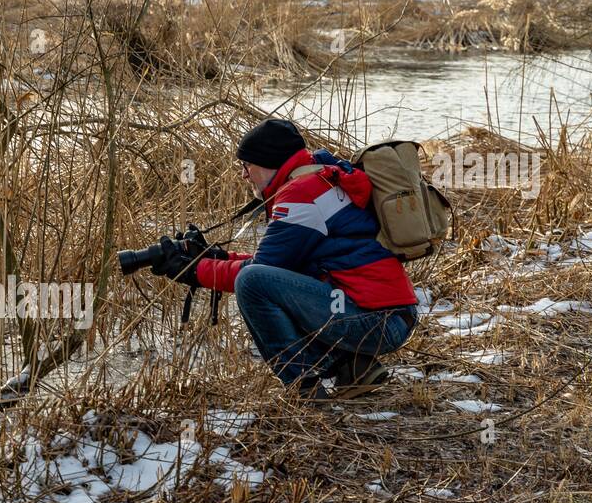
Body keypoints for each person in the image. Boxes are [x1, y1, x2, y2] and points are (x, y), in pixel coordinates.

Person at [151, 119, 419, 399]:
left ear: (268, 163)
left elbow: (260, 273)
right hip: (386, 316)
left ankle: (306, 387)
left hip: (375, 323)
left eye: (247, 165)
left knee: (251, 283)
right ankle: (353, 367)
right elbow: (281, 268)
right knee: (262, 279)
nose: (244, 175)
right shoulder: (320, 179)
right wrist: (217, 257)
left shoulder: (302, 193)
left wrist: (194, 270)